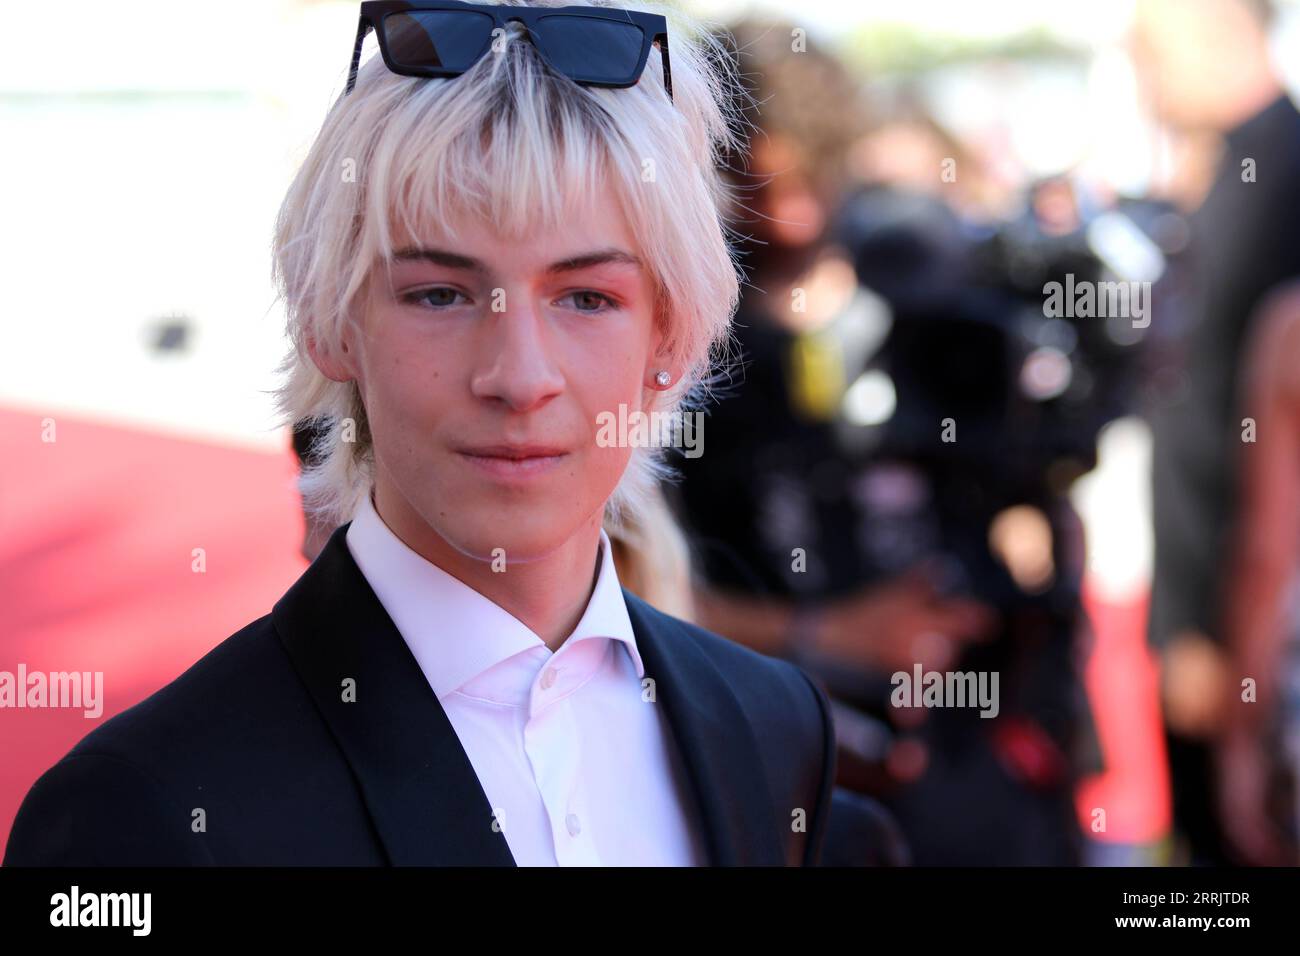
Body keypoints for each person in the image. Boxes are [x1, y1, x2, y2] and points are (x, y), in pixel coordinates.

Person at [3, 0, 836, 867]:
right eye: (440, 294)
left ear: (668, 334)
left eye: (587, 297)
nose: (518, 377)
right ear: (329, 322)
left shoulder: (774, 731)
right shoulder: (140, 812)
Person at [1131, 0, 1300, 864]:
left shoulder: (1285, 177)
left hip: (1244, 634)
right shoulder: (1225, 169)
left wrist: (1220, 640)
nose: (1135, 64)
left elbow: (1261, 451)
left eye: (1148, 41)